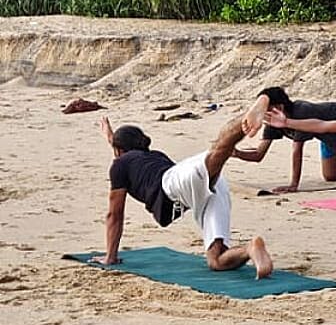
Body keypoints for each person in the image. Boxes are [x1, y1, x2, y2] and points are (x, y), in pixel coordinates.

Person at [97, 107, 273, 278]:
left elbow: (115, 214)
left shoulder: (120, 164)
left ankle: (249, 117)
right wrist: (110, 137)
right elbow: (122, 152)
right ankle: (250, 248)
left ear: (119, 150)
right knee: (216, 261)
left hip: (175, 183)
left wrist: (110, 257)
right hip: (213, 186)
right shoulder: (153, 156)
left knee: (219, 150)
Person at [233, 87, 336, 193]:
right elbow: (259, 154)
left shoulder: (301, 111)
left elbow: (297, 151)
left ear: (279, 107)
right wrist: (235, 153)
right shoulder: (273, 122)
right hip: (329, 139)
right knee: (331, 175)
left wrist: (294, 184)